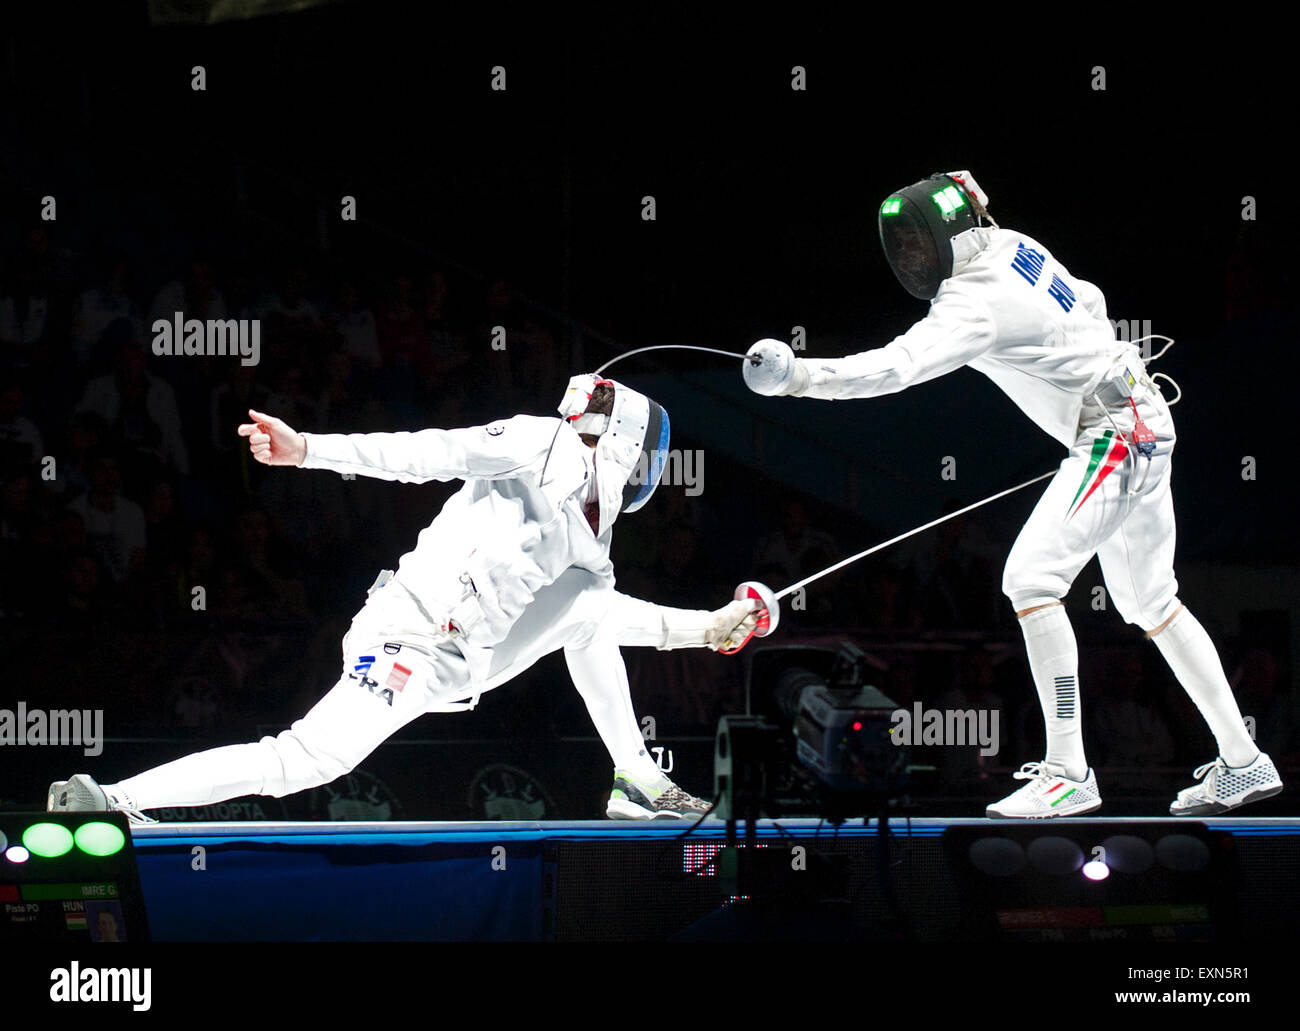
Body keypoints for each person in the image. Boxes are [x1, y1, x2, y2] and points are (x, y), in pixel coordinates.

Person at [742, 170, 1281, 818]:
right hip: (1140, 413)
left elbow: (894, 368)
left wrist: (800, 377)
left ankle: (1068, 771)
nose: (910, 259)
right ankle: (1244, 761)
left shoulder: (973, 299)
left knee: (1030, 579)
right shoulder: (1013, 247)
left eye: (915, 244)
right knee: (1150, 600)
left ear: (943, 237)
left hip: (1113, 431)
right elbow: (1092, 299)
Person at [49, 375, 768, 823]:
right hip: (406, 639)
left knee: (586, 607)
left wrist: (713, 625)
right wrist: (310, 450)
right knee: (305, 759)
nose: (646, 472)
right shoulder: (537, 440)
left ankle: (636, 780)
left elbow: (602, 615)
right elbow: (429, 452)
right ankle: (111, 796)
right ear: (620, 440)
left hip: (471, 662)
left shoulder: (595, 531)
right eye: (645, 455)